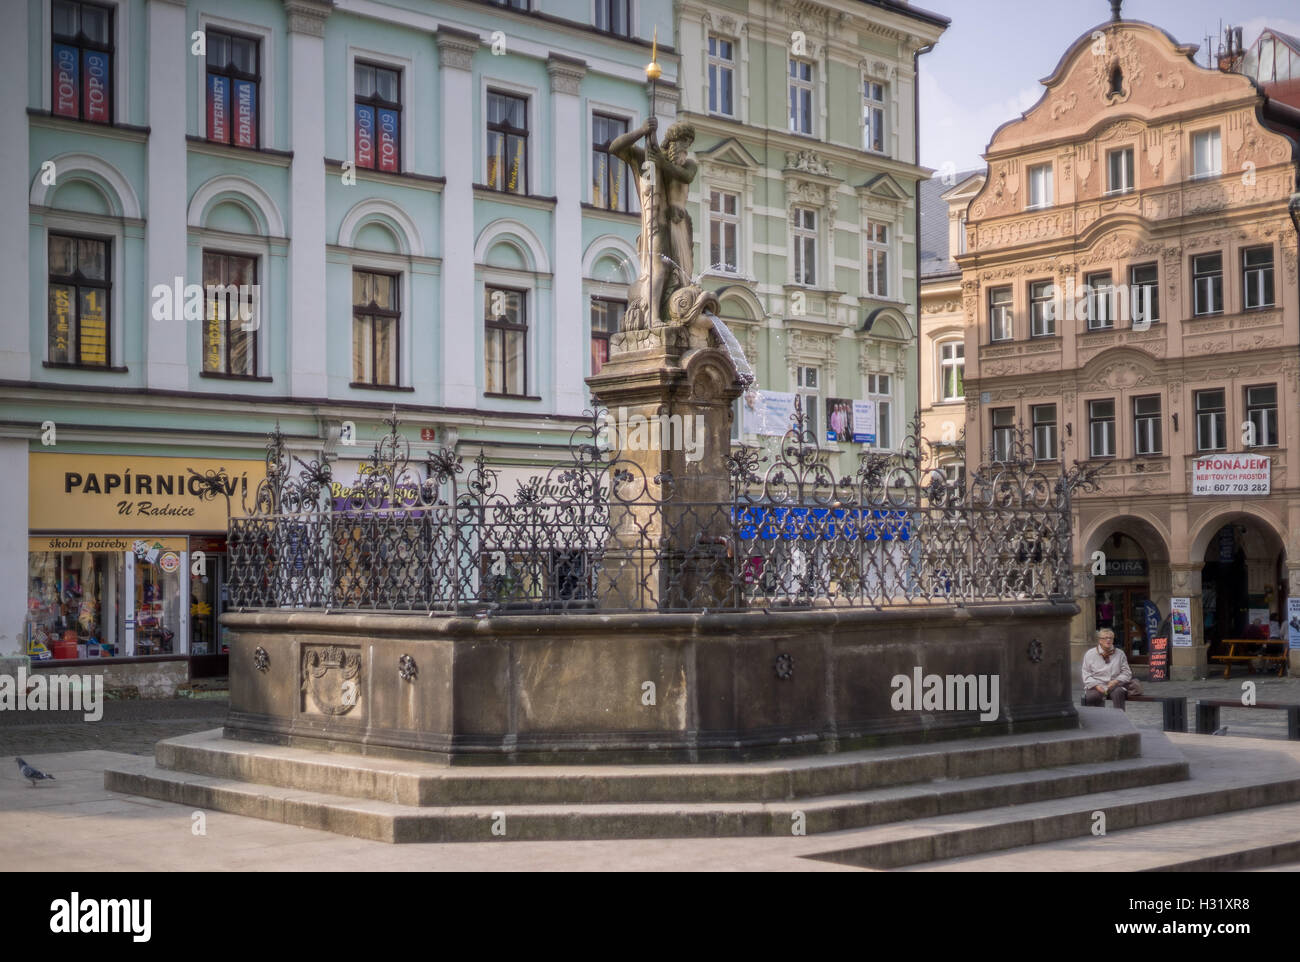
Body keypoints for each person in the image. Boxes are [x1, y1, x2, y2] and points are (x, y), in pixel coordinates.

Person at [1082, 628, 1132, 710]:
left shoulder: (1120, 653)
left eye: (1111, 638)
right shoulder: (1090, 654)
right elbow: (1086, 673)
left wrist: (1116, 681)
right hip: (1096, 685)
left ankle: (1119, 718)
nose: (1108, 640)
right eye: (1105, 638)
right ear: (1100, 640)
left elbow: (1127, 673)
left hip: (1114, 685)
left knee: (1119, 693)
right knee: (1093, 696)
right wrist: (1096, 685)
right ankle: (1097, 719)